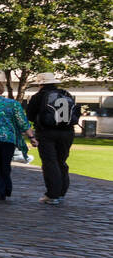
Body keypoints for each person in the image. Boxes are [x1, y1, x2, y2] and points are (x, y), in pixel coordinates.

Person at [25, 72, 82, 205]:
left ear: (41, 84)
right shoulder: (66, 94)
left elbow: (30, 116)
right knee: (61, 161)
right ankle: (61, 192)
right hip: (67, 132)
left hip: (46, 132)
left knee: (50, 162)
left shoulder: (38, 96)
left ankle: (52, 194)